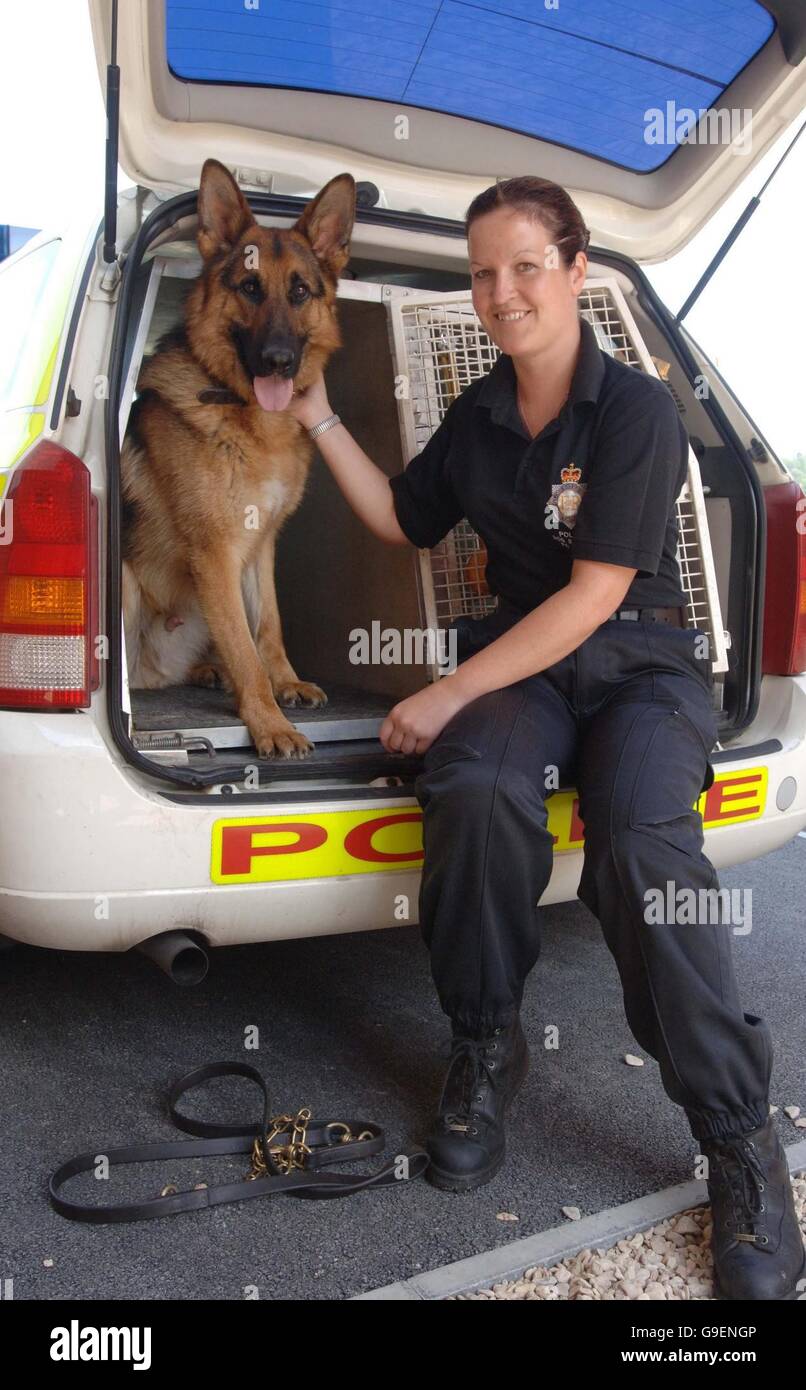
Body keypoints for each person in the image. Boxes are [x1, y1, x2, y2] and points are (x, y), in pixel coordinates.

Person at [285, 177, 805, 1301]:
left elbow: (591, 596)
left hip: (635, 666)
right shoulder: (475, 419)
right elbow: (397, 514)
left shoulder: (633, 410)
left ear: (574, 270)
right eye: (481, 272)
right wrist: (316, 411)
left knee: (639, 847)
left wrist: (438, 694)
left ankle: (735, 1141)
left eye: (524, 265)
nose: (500, 291)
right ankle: (483, 1046)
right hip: (530, 667)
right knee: (470, 787)